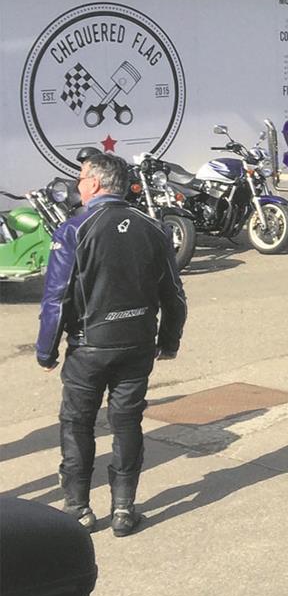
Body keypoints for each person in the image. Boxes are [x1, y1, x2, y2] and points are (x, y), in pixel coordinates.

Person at [36, 152, 187, 536]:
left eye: (82, 178)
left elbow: (57, 297)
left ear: (97, 183)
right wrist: (168, 340)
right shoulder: (152, 227)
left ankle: (78, 508)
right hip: (137, 345)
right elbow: (174, 294)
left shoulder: (74, 229)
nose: (79, 185)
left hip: (90, 348)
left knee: (77, 424)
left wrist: (46, 351)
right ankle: (123, 508)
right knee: (126, 423)